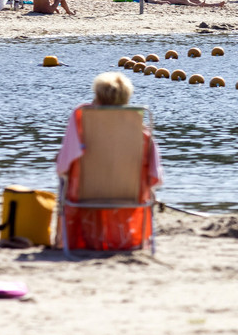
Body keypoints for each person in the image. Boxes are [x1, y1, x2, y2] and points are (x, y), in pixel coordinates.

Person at [55, 72, 163, 252]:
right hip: (130, 195)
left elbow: (62, 167)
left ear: (97, 96)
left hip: (84, 194)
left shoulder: (82, 122)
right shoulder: (140, 133)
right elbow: (155, 176)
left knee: (64, 178)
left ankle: (67, 239)